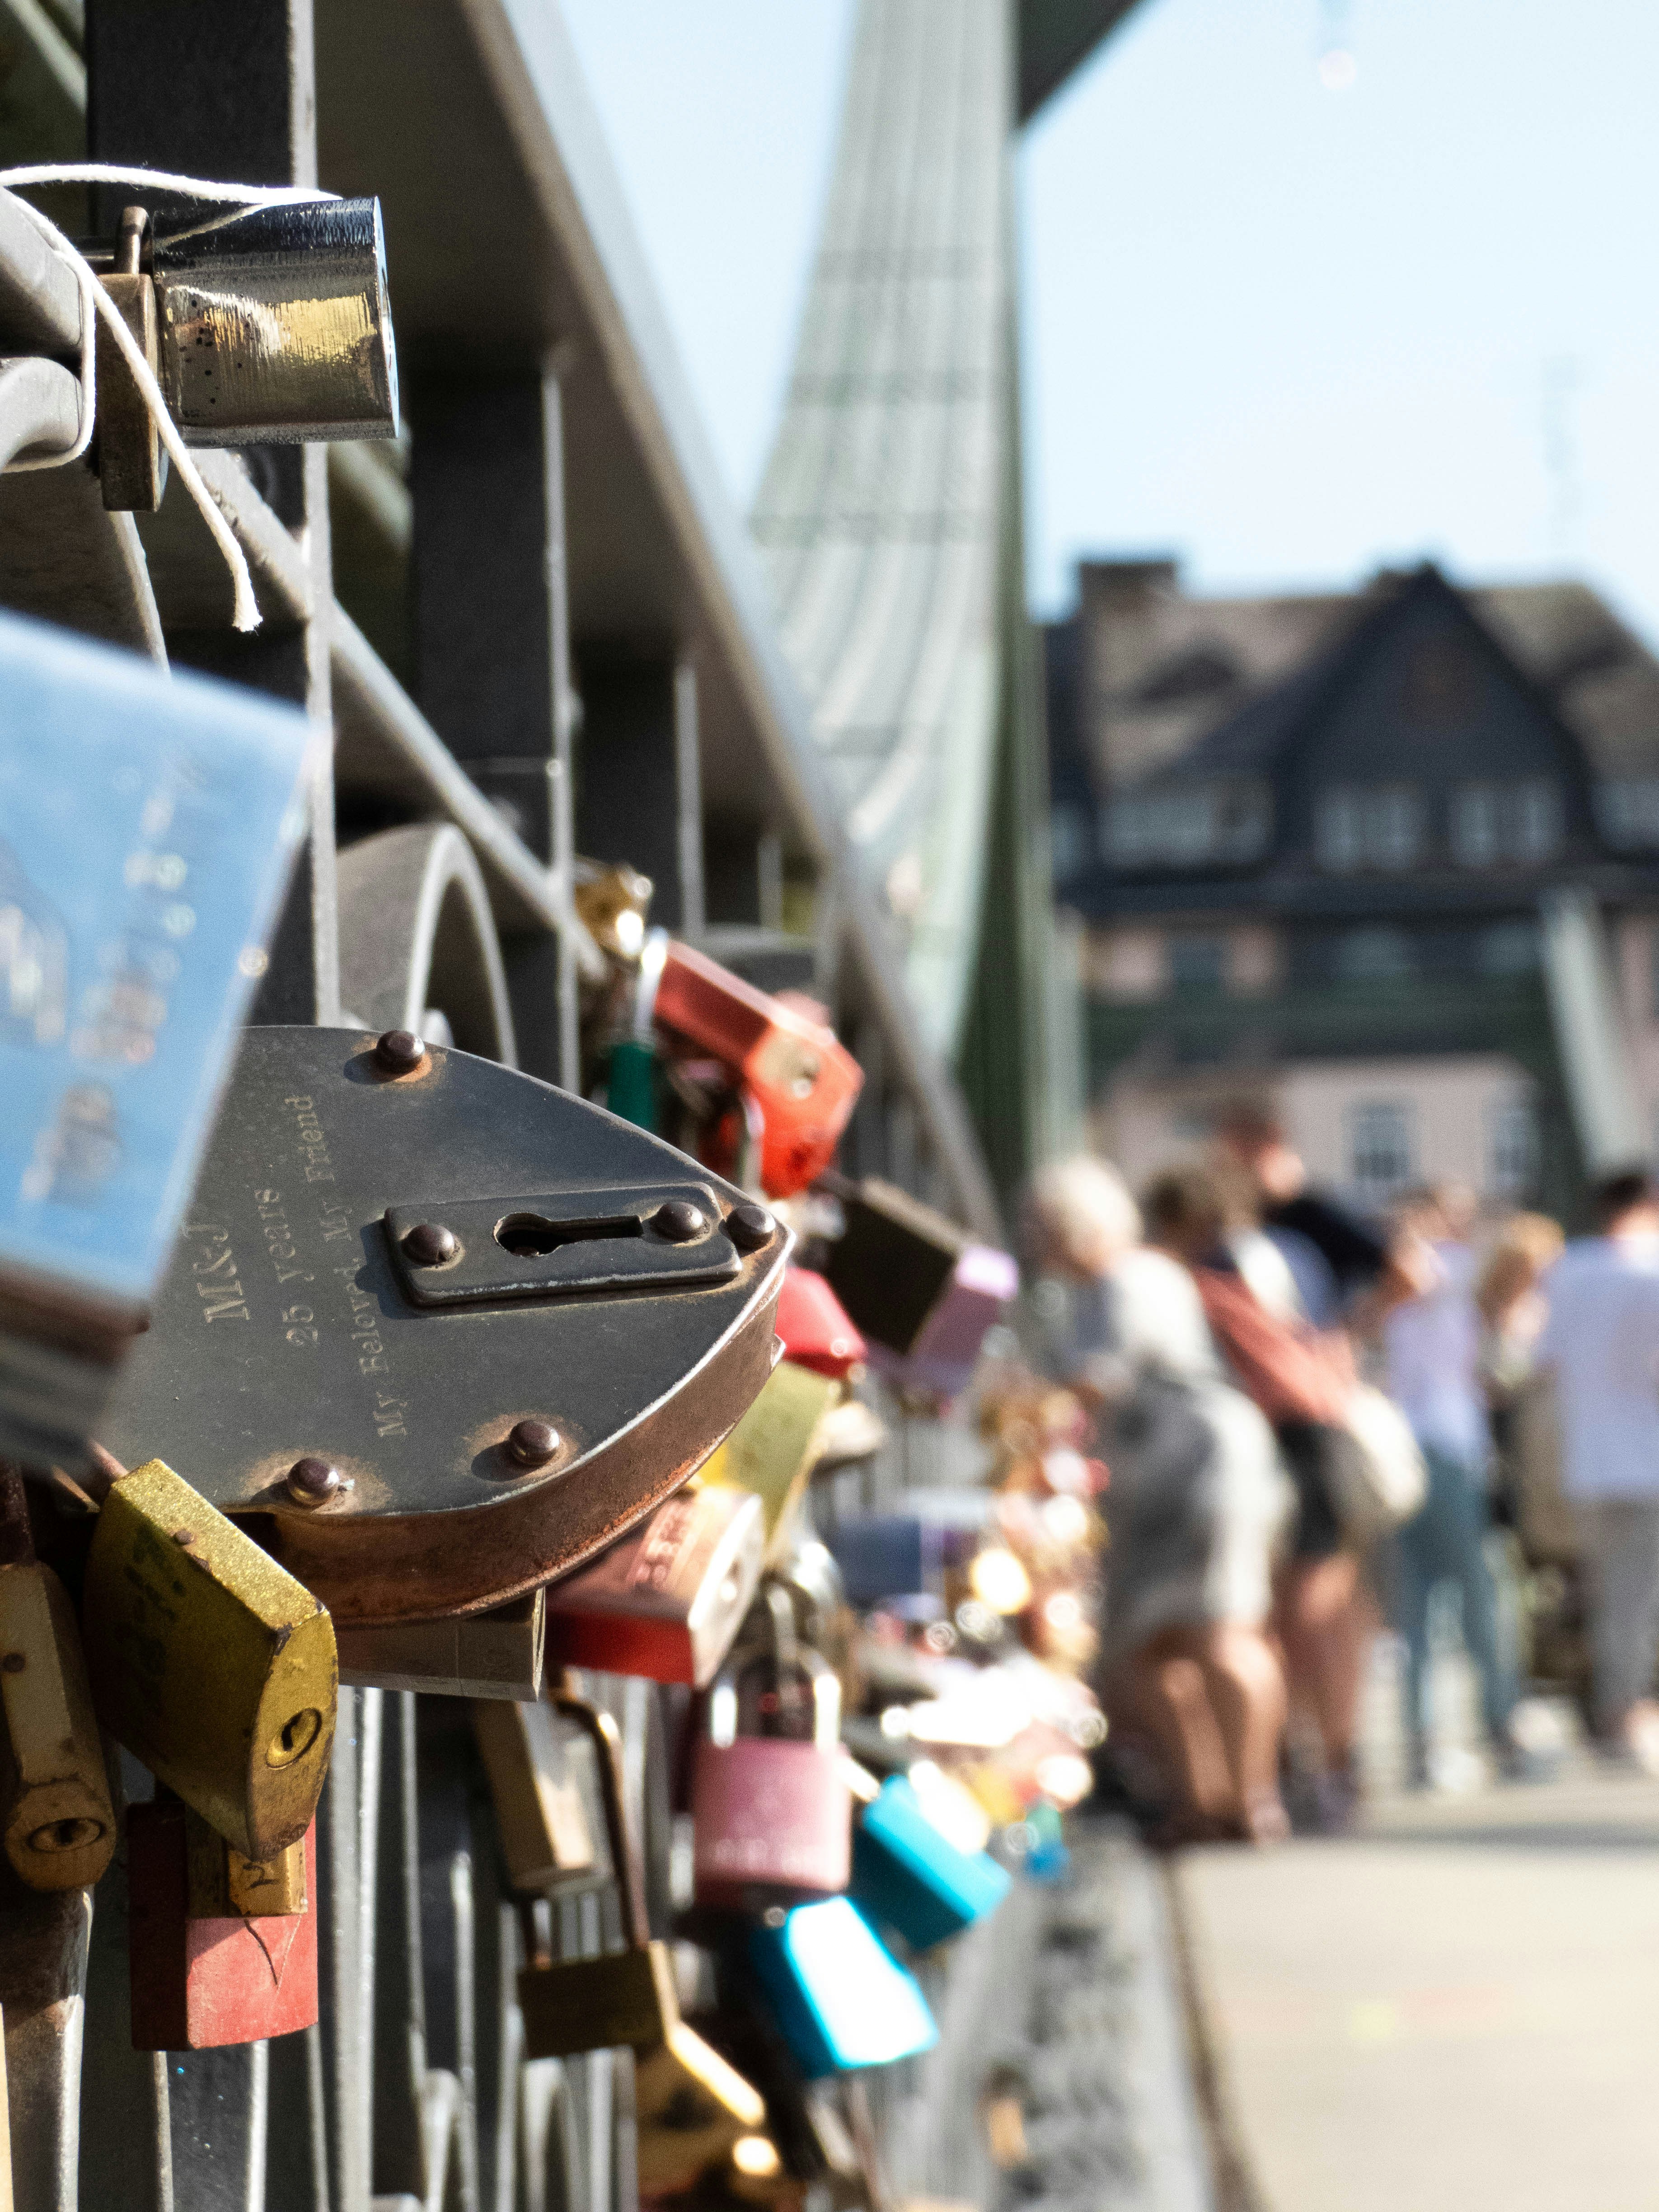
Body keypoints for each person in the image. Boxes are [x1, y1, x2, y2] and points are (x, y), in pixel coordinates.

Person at [1023, 1158, 1291, 1844]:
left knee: (1203, 1637)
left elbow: (1100, 1379)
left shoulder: (1121, 1280)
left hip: (1188, 1466)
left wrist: (1025, 1409)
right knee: (1185, 1642)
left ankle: (1230, 1798)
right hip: (1202, 1459)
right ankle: (1234, 1798)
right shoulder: (1155, 1271)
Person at [1383, 1186, 1518, 1785]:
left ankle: (1426, 1735)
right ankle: (1494, 1724)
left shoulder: (1404, 1274)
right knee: (1472, 1592)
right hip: (1440, 1447)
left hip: (1414, 1445)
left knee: (1423, 1599)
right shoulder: (1441, 1267)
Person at [1534, 1169, 1659, 1767]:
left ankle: (1612, 1708)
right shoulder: (1651, 1268)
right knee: (1638, 1600)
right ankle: (1625, 1713)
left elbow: (1546, 1361)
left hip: (1586, 1460)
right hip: (1646, 1460)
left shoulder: (1570, 1268)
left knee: (1609, 1597)